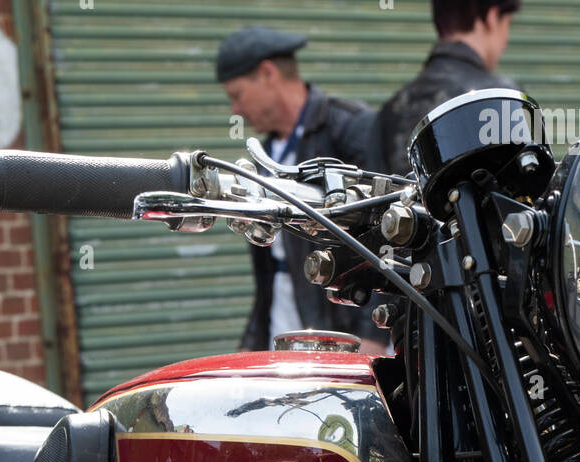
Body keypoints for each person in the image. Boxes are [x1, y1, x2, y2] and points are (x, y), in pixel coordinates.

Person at [216, 25, 384, 353]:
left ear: (267, 74)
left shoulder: (350, 127)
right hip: (285, 317)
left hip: (344, 329)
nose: (235, 110)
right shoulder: (265, 153)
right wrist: (253, 343)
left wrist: (374, 336)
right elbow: (268, 270)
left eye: (237, 95)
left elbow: (387, 238)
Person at [378, 0, 522, 176]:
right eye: (508, 23)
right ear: (492, 17)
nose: (506, 40)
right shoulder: (505, 99)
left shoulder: (391, 110)